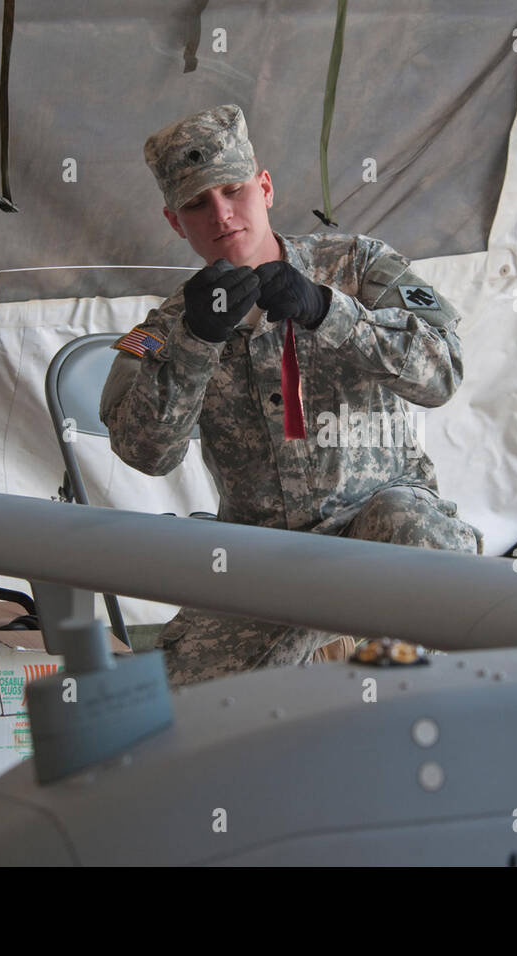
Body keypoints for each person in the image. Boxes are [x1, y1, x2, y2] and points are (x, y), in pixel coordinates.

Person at [100, 104, 481, 686]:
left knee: (416, 531)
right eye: (197, 203)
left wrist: (331, 311)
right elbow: (146, 454)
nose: (222, 215)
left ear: (265, 187)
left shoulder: (358, 264)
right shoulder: (165, 325)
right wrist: (196, 342)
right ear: (175, 222)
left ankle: (459, 717)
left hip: (375, 523)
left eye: (233, 191)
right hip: (263, 556)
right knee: (177, 716)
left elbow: (444, 372)